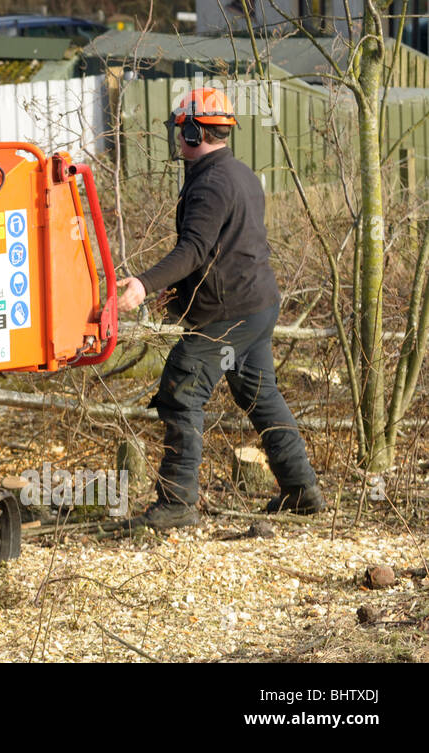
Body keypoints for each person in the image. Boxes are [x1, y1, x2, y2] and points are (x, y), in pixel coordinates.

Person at [116, 87, 325, 529]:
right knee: (258, 393)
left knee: (181, 389)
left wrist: (144, 283)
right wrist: (177, 292)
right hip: (257, 305)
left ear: (194, 130)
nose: (178, 139)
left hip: (231, 314)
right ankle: (301, 490)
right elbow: (226, 248)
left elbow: (193, 249)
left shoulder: (211, 183)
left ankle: (176, 504)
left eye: (180, 130)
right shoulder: (238, 173)